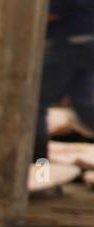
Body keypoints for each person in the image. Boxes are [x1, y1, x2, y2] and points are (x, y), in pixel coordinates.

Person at [34, 0, 94, 161]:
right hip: (84, 41)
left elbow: (48, 11)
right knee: (85, 107)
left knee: (35, 108)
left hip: (68, 43)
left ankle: (40, 176)